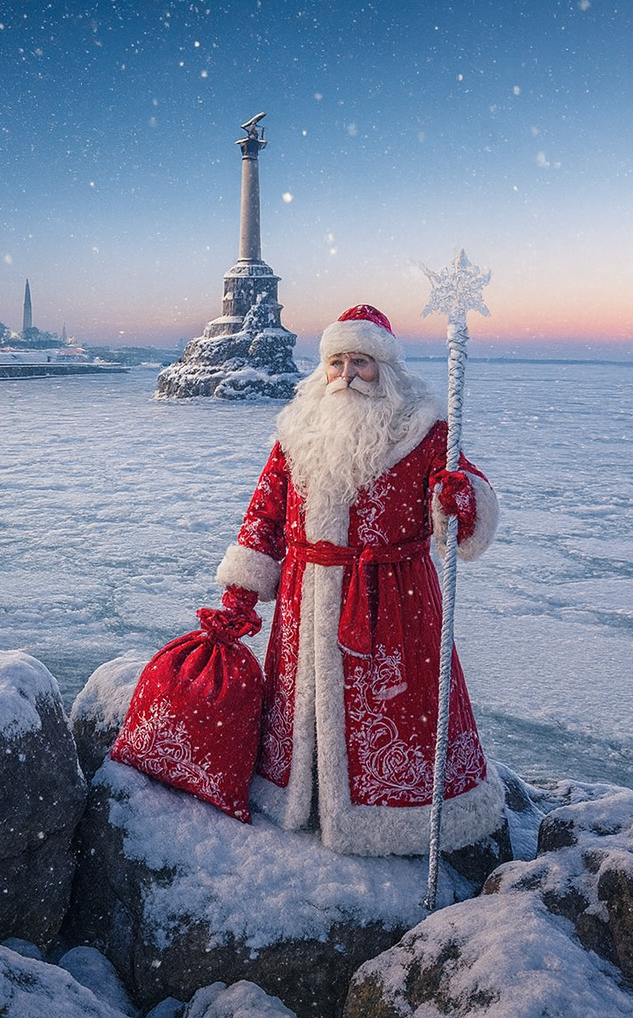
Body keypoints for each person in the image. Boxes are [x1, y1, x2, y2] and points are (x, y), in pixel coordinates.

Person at [216, 304, 503, 856]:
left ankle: (403, 814)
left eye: (362, 363)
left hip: (393, 599)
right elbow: (265, 513)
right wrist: (241, 592)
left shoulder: (425, 430)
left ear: (386, 369)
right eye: (337, 362)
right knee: (305, 707)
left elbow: (465, 519)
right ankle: (306, 795)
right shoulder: (298, 432)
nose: (347, 375)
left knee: (389, 707)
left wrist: (457, 499)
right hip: (304, 597)